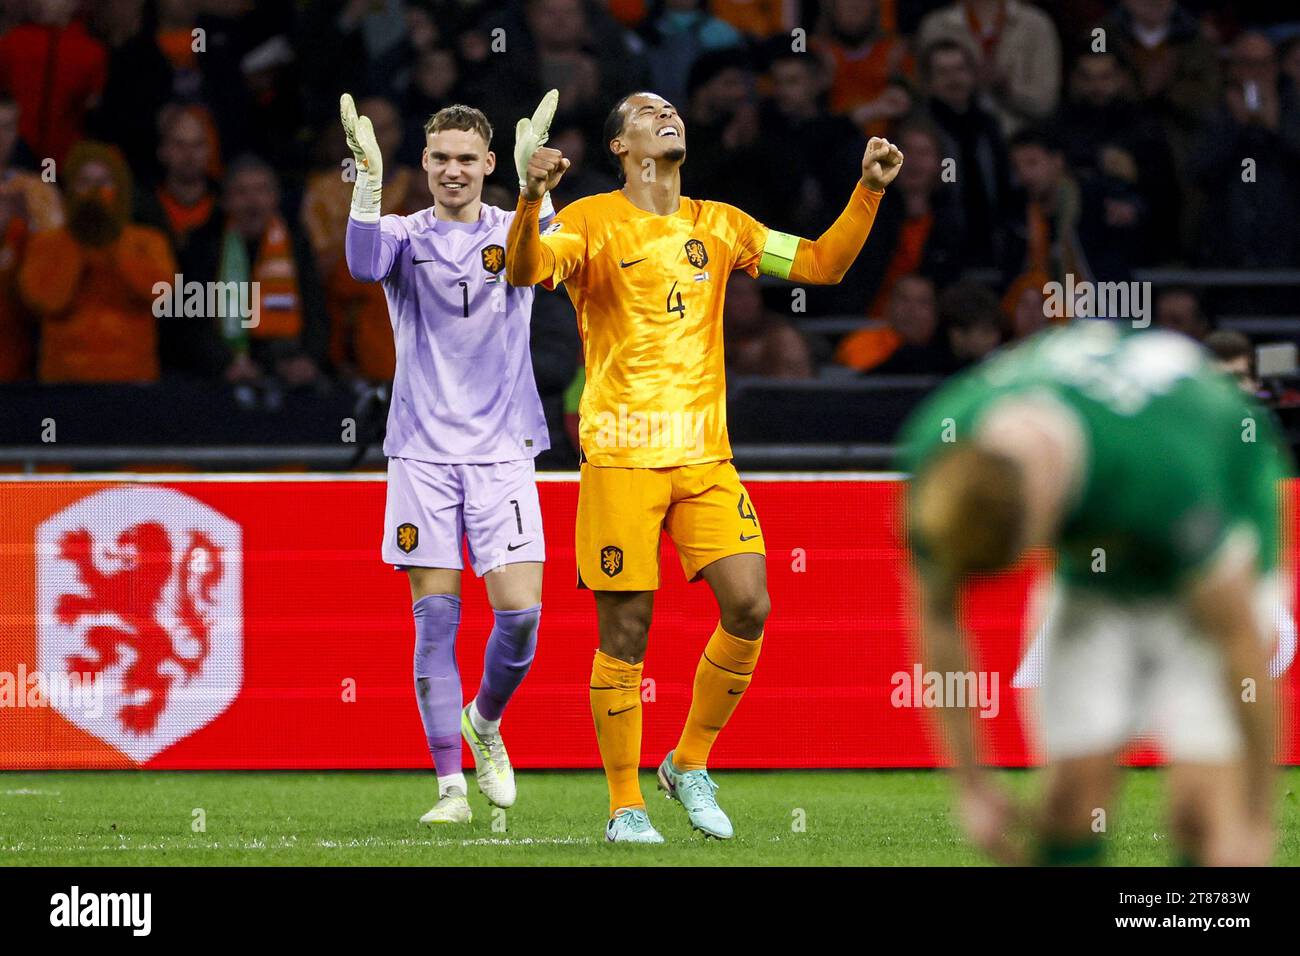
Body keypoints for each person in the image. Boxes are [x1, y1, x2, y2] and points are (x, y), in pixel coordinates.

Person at [506, 90, 902, 842]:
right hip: (622, 454)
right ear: (620, 146)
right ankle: (625, 806)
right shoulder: (587, 219)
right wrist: (530, 200)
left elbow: (821, 264)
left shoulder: (722, 225)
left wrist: (869, 190)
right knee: (627, 631)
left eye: (671, 110)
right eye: (647, 112)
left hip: (706, 459)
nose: (667, 116)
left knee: (750, 605)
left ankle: (688, 763)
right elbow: (524, 271)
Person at [899, 321, 1287, 865]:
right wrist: (971, 785)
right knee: (1068, 803)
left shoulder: (1166, 470)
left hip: (1222, 509)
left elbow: (1236, 642)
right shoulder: (942, 449)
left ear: (1047, 515)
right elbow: (938, 618)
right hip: (1099, 549)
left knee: (1204, 819)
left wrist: (1256, 815)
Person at [342, 92, 559, 825]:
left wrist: (538, 192)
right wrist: (367, 184)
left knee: (521, 618)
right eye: (440, 158)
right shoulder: (403, 234)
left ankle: (485, 723)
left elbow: (548, 266)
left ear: (491, 164)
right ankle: (448, 788)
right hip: (422, 456)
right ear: (425, 165)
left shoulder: (514, 227)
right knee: (436, 625)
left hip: (502, 452)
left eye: (467, 158)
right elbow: (361, 262)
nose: (453, 170)